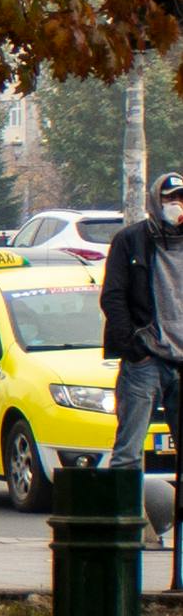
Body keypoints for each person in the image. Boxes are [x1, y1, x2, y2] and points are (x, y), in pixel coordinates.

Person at [100, 170, 183, 466]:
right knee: (128, 453)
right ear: (156, 202)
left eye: (180, 198)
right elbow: (113, 297)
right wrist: (134, 348)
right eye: (169, 199)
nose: (176, 205)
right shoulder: (131, 240)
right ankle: (125, 499)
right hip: (146, 360)